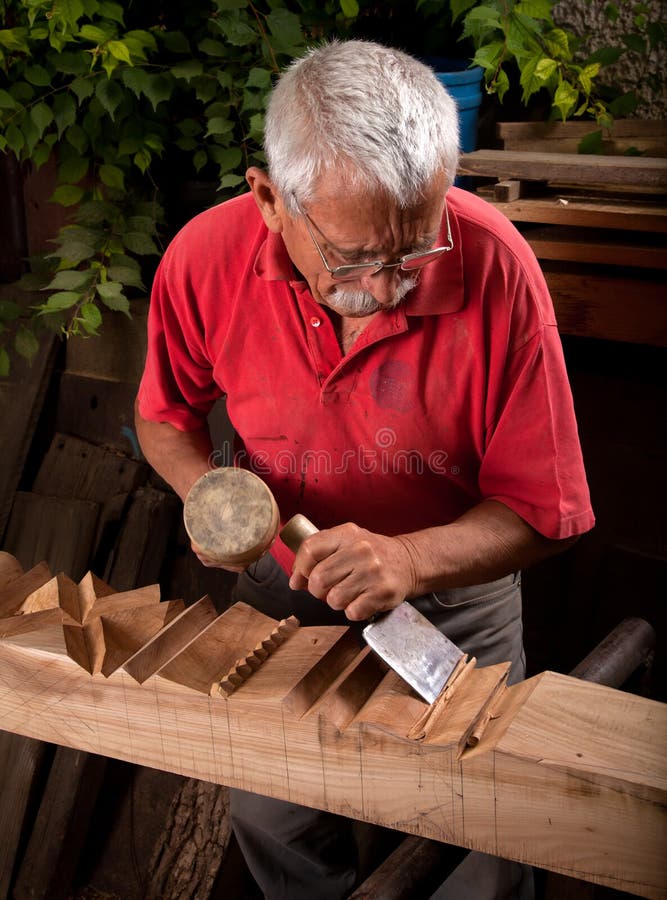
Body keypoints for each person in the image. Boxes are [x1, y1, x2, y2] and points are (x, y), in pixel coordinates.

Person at [135, 39, 594, 900]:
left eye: (412, 253)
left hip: (456, 597)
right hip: (285, 589)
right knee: (275, 812)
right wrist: (211, 493)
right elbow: (162, 418)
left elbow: (544, 507)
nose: (385, 291)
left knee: (480, 833)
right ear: (269, 199)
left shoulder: (495, 266)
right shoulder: (204, 260)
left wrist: (410, 559)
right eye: (351, 261)